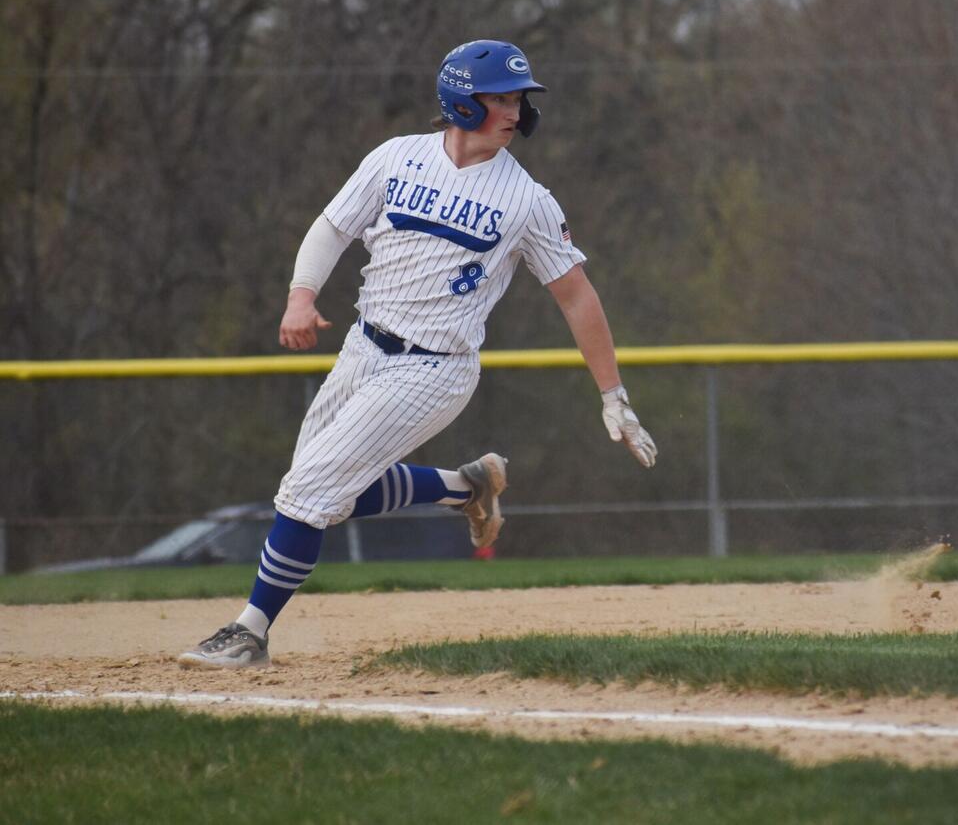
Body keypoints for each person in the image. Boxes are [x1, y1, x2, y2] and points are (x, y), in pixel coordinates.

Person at [178, 39, 657, 669]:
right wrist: (301, 297)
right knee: (325, 495)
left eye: (519, 99)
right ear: (460, 101)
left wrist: (613, 395)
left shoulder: (527, 200)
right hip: (362, 350)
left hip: (435, 367)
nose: (514, 111)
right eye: (499, 98)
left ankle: (249, 631)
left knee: (307, 492)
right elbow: (332, 228)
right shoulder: (396, 157)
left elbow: (576, 296)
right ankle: (466, 487)